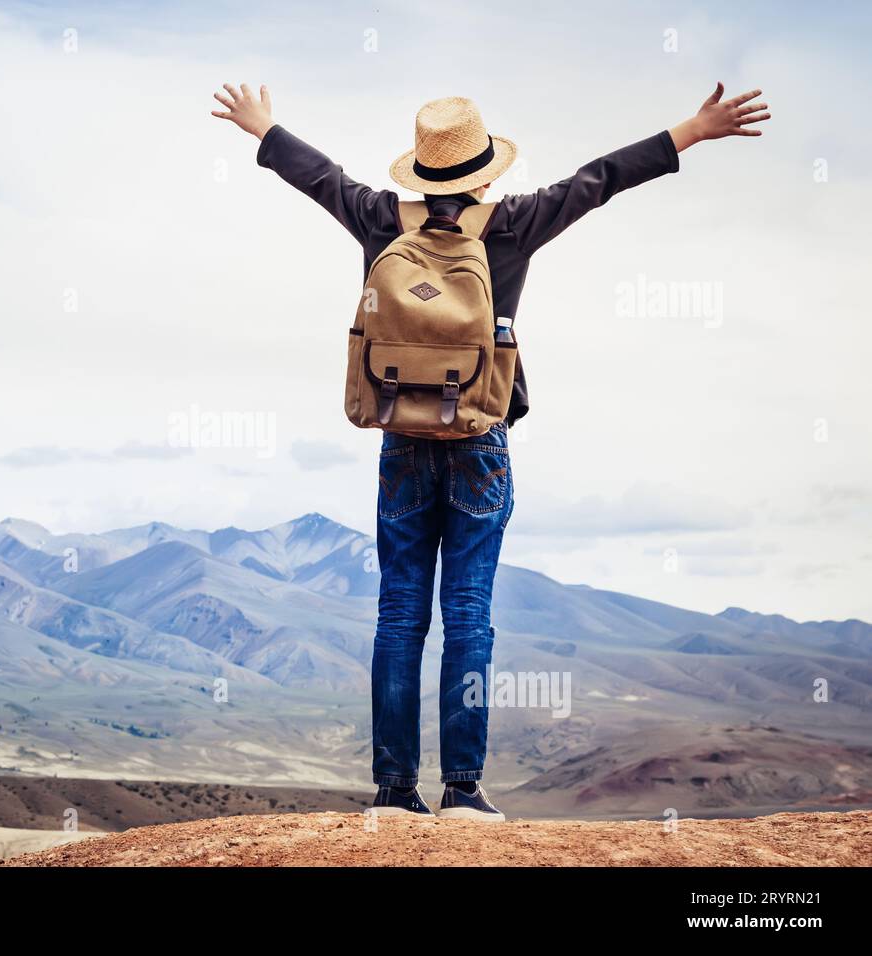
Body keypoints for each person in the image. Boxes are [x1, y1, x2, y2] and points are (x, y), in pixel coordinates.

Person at [210, 81, 770, 821]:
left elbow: (323, 180)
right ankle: (464, 792)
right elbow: (599, 180)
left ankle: (392, 789)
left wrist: (264, 129)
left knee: (398, 615)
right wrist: (693, 131)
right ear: (483, 172)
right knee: (468, 615)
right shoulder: (511, 225)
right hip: (480, 438)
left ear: (420, 170)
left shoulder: (382, 220)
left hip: (403, 441)